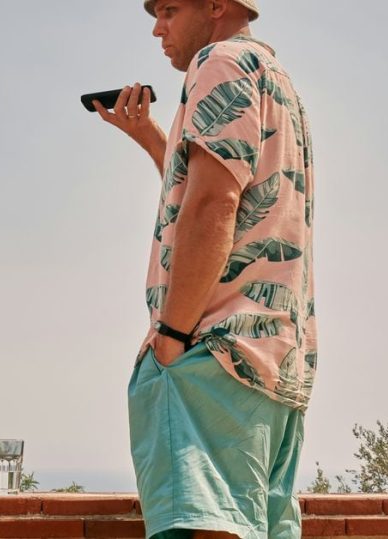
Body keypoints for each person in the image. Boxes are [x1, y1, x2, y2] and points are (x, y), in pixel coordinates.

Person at [92, 1, 317, 538]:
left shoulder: (218, 61)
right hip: (273, 356)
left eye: (169, 9)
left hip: (214, 352)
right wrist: (152, 138)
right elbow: (216, 193)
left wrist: (171, 335)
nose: (157, 27)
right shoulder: (276, 79)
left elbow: (215, 203)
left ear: (216, 6)